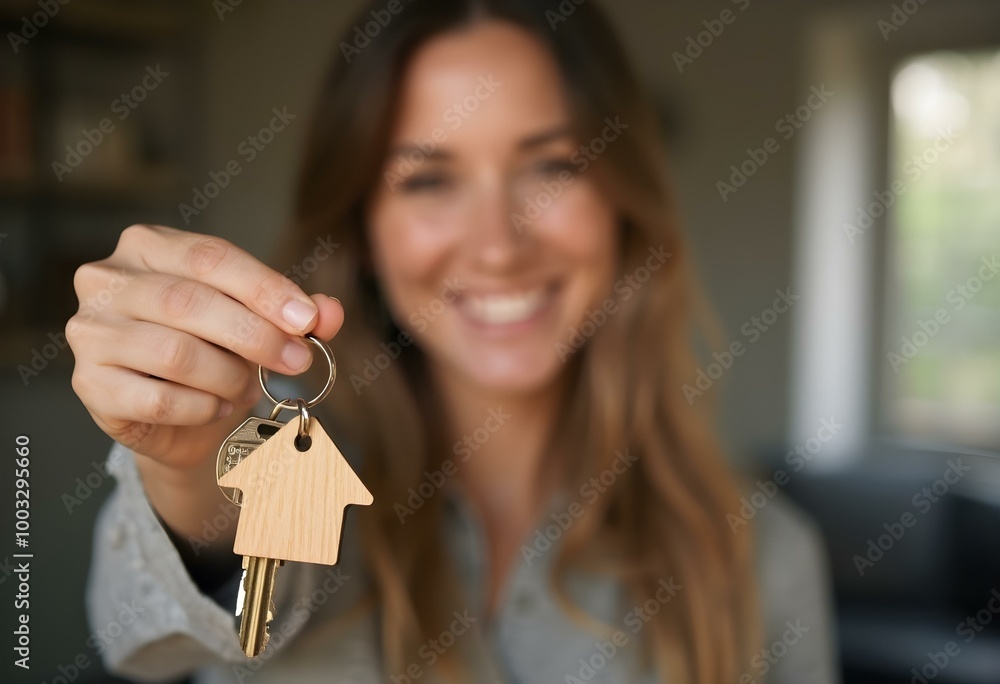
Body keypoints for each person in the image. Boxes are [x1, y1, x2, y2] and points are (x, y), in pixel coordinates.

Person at [68, 0, 839, 682]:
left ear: (622, 202)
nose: (499, 245)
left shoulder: (765, 555)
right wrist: (185, 469)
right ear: (362, 228)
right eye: (429, 180)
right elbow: (142, 641)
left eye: (553, 165)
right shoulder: (287, 489)